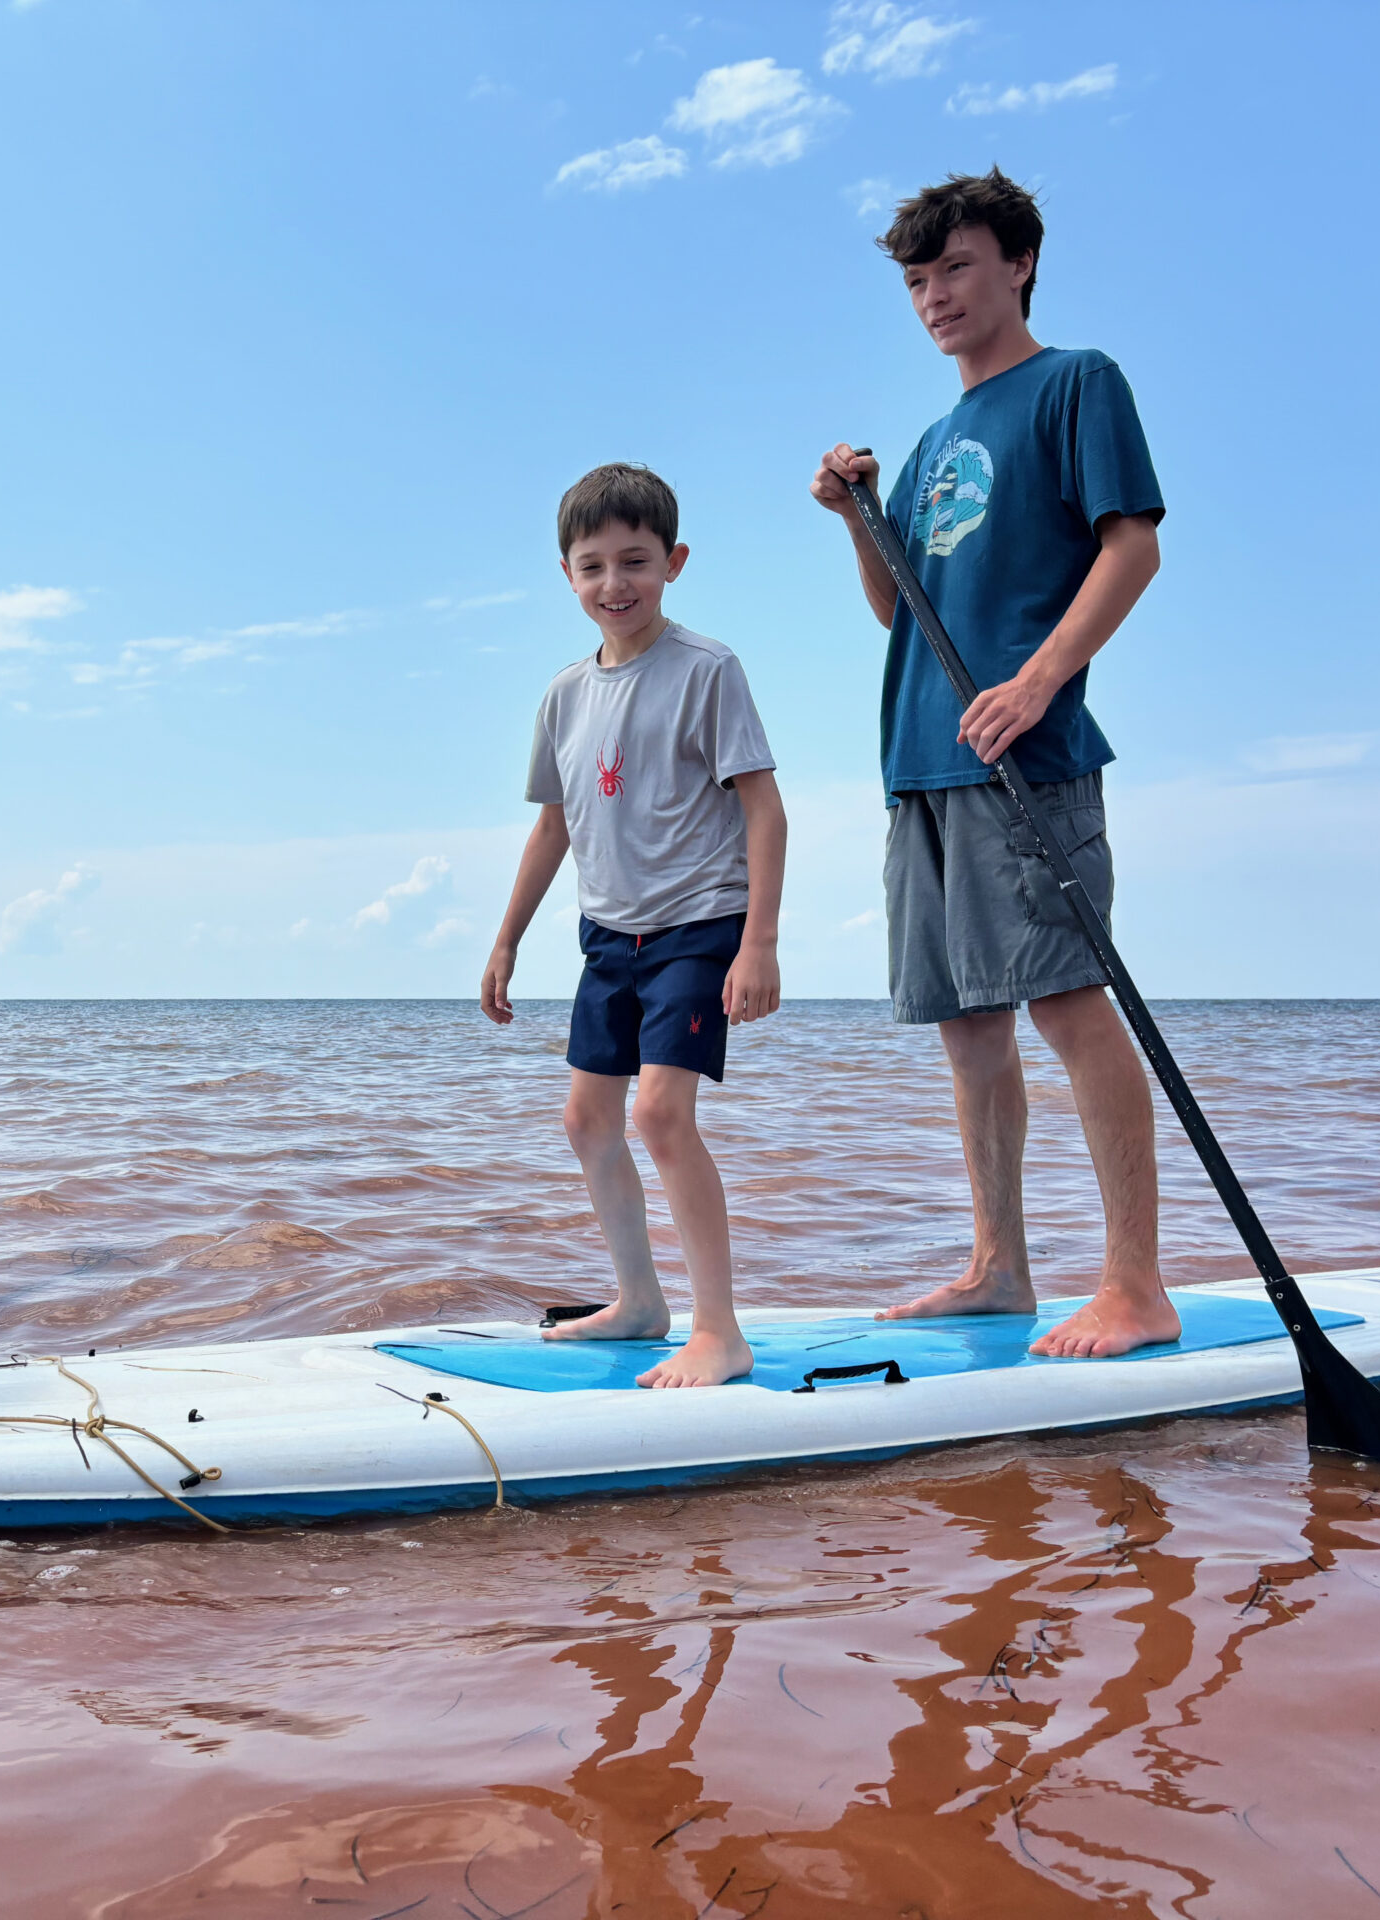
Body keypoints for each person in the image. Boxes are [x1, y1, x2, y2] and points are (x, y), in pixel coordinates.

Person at [809, 168, 1177, 1358]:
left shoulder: (1075, 383)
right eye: (917, 282)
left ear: (1016, 262)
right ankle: (997, 1268)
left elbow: (1132, 549)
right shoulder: (928, 444)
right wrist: (859, 523)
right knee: (967, 1024)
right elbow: (897, 612)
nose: (934, 297)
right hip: (920, 757)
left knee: (1069, 1004)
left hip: (1028, 749)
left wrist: (1039, 679)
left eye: (955, 269)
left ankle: (1135, 1284)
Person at [480, 463, 789, 1388]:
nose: (615, 585)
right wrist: (507, 939)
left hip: (699, 923)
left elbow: (765, 809)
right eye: (593, 566)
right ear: (567, 576)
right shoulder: (565, 695)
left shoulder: (707, 669)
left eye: (636, 562)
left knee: (660, 1113)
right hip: (608, 936)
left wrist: (759, 941)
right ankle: (640, 1301)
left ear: (673, 562)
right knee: (587, 1118)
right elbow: (554, 823)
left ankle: (720, 1331)